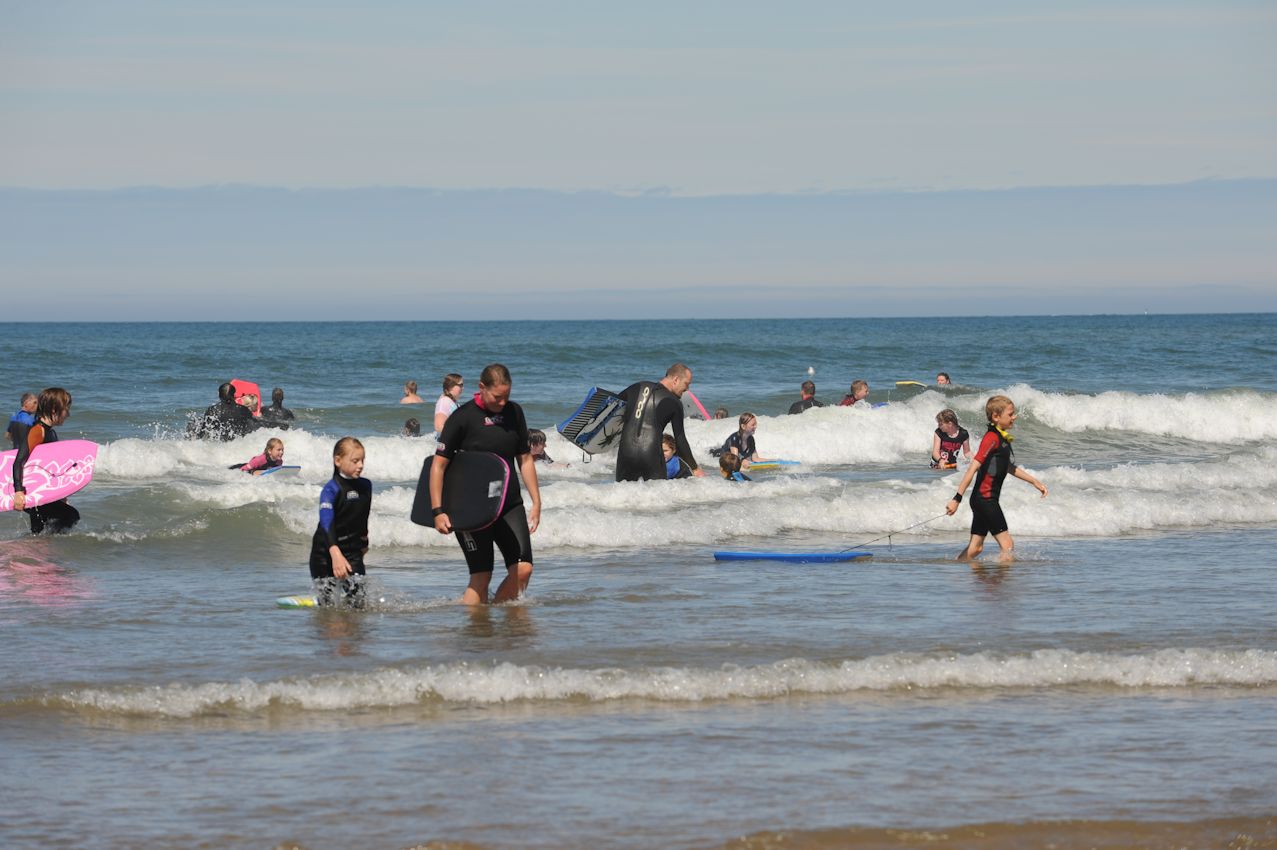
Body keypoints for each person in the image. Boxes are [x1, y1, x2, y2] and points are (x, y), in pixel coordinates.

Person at [430, 364, 542, 605]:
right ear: (482, 388)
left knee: (523, 569)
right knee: (482, 576)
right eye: (497, 397)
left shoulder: (515, 413)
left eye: (507, 396)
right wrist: (438, 511)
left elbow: (524, 459)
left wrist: (536, 501)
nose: (503, 402)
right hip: (472, 507)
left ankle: (495, 620)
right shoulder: (462, 418)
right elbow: (438, 466)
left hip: (509, 504)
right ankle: (478, 633)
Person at [944, 395, 1048, 562]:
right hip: (985, 500)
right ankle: (1000, 584)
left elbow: (1007, 467)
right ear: (996, 416)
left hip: (982, 499)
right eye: (1011, 414)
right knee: (1008, 546)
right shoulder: (991, 438)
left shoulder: (1002, 438)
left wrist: (1035, 481)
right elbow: (973, 468)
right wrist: (957, 498)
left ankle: (954, 567)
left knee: (976, 548)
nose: (1014, 417)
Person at [615, 363, 704, 482]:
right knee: (655, 497)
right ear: (676, 380)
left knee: (624, 498)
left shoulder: (637, 387)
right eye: (686, 384)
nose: (687, 389)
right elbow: (680, 440)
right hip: (651, 457)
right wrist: (695, 468)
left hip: (625, 456)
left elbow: (611, 409)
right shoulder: (674, 402)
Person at [310, 436, 372, 607]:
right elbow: (326, 522)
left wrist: (364, 541)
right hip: (324, 552)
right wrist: (335, 553)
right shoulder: (331, 489)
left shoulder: (366, 486)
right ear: (338, 460)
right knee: (328, 608)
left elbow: (362, 517)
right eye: (355, 461)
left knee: (359, 603)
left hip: (352, 551)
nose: (360, 465)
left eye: (362, 460)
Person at [10, 387, 81, 534]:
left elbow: (51, 467)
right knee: (71, 515)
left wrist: (61, 494)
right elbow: (19, 461)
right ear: (54, 409)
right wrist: (18, 492)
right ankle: (45, 545)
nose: (68, 414)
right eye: (66, 409)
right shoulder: (38, 431)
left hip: (41, 491)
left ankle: (36, 550)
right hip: (31, 491)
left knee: (38, 530)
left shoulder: (51, 433)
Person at [188, 381, 258, 441]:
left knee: (194, 422)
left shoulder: (213, 410)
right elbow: (251, 429)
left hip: (219, 445)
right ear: (234, 395)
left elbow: (203, 432)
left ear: (219, 395)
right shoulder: (244, 410)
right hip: (237, 444)